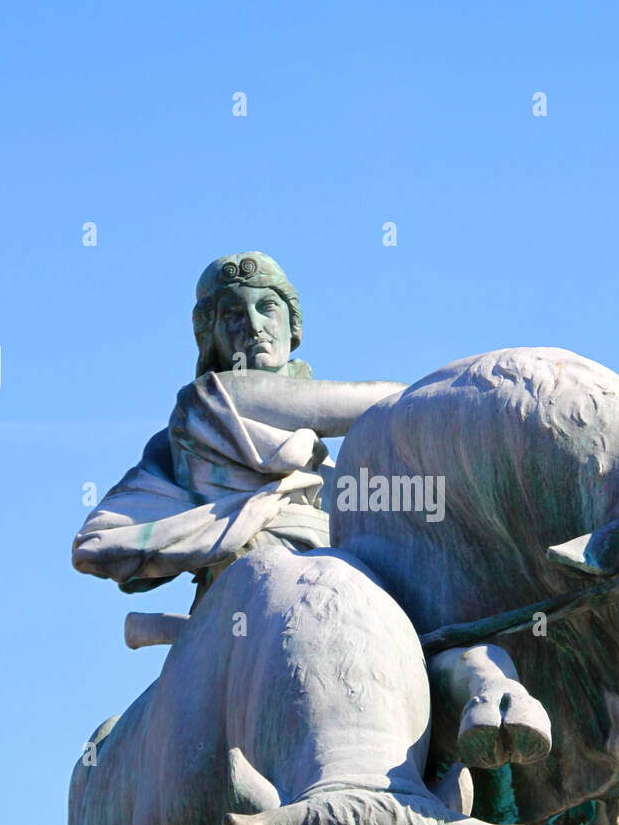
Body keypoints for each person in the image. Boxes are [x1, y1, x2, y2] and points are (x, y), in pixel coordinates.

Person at [73, 252, 404, 609]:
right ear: (210, 336)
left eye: (267, 307)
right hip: (254, 586)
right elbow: (384, 402)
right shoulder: (217, 397)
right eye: (233, 314)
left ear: (294, 323)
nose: (254, 324)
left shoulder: (320, 459)